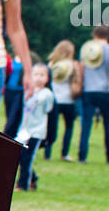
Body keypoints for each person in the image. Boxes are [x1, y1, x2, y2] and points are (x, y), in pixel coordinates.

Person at [14, 64, 54, 191]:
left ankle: (23, 185)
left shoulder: (47, 94)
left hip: (36, 131)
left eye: (42, 75)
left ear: (47, 78)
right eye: (36, 74)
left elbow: (48, 109)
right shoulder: (27, 91)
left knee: (27, 158)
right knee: (19, 157)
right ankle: (33, 178)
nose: (38, 78)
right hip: (23, 130)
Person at [44, 41, 81, 161]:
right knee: (69, 127)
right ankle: (64, 154)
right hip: (68, 100)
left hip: (54, 99)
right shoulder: (72, 65)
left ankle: (47, 153)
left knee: (50, 126)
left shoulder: (51, 64)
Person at [77, 27, 109, 163]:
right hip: (105, 92)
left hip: (88, 90)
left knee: (86, 125)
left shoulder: (86, 49)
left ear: (94, 34)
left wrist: (80, 85)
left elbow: (81, 69)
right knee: (107, 125)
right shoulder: (108, 49)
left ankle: (82, 156)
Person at [3, 55, 25, 139]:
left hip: (19, 91)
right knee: (9, 114)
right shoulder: (11, 60)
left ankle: (7, 133)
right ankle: (10, 135)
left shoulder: (25, 60)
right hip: (8, 90)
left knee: (14, 114)